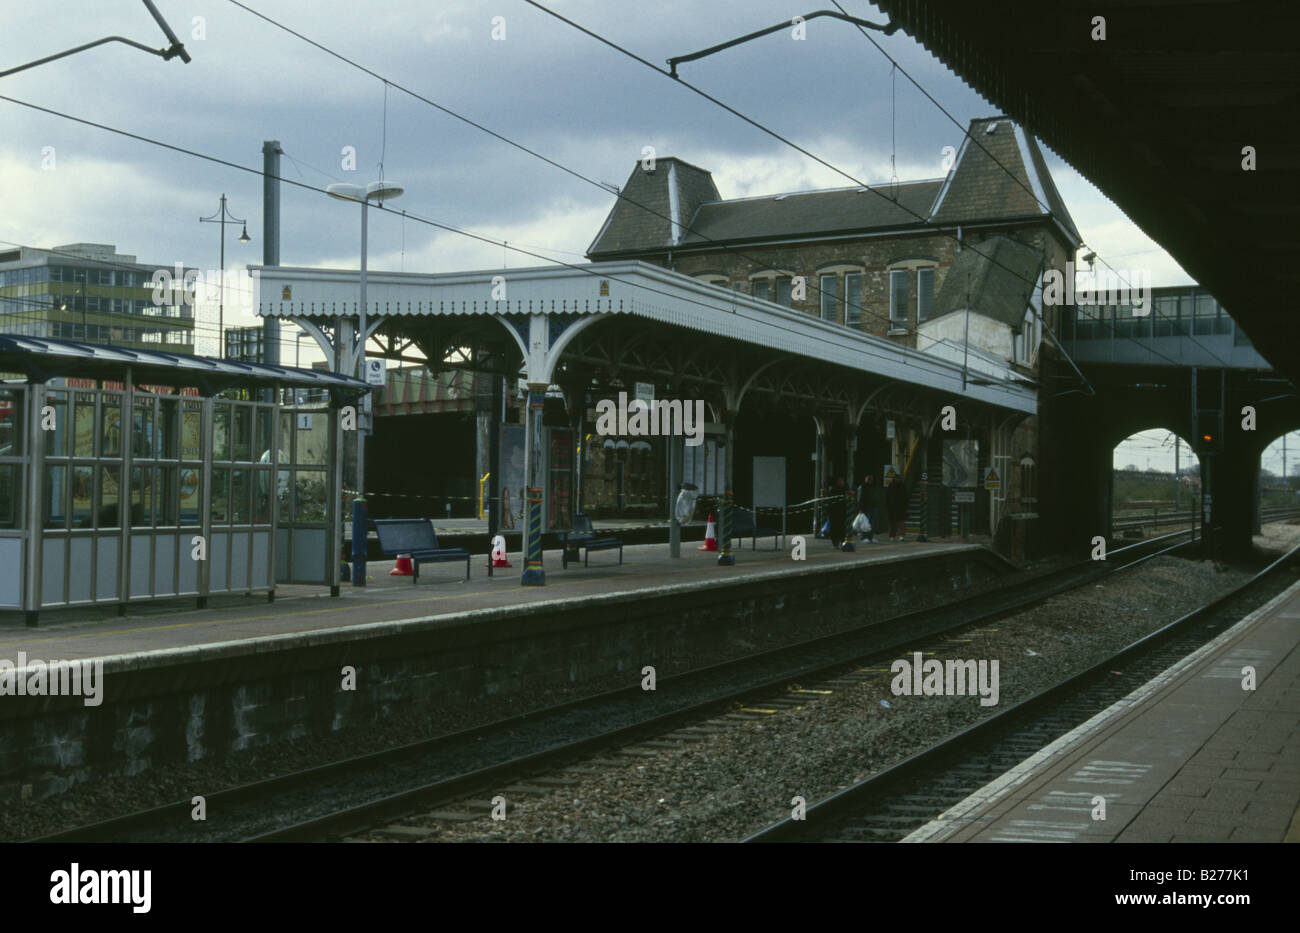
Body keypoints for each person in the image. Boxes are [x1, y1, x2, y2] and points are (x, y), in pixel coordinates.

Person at [854, 474, 875, 542]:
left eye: (871, 479)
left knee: (870, 523)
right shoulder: (862, 487)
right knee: (864, 523)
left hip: (870, 506)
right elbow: (859, 498)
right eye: (869, 479)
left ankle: (870, 537)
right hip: (864, 507)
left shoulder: (871, 487)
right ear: (866, 479)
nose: (870, 480)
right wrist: (860, 508)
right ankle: (864, 537)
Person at [828, 475, 848, 547]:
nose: (842, 482)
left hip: (842, 512)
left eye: (843, 481)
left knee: (842, 528)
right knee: (835, 528)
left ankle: (842, 542)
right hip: (834, 512)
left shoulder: (844, 489)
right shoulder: (833, 490)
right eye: (841, 481)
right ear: (838, 482)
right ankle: (835, 543)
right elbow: (831, 501)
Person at [886, 476, 908, 541]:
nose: (897, 480)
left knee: (900, 522)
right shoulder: (891, 486)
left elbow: (905, 496)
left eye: (898, 478)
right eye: (896, 478)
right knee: (892, 523)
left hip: (900, 507)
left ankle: (901, 535)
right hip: (892, 507)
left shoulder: (902, 486)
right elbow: (887, 497)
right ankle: (892, 535)